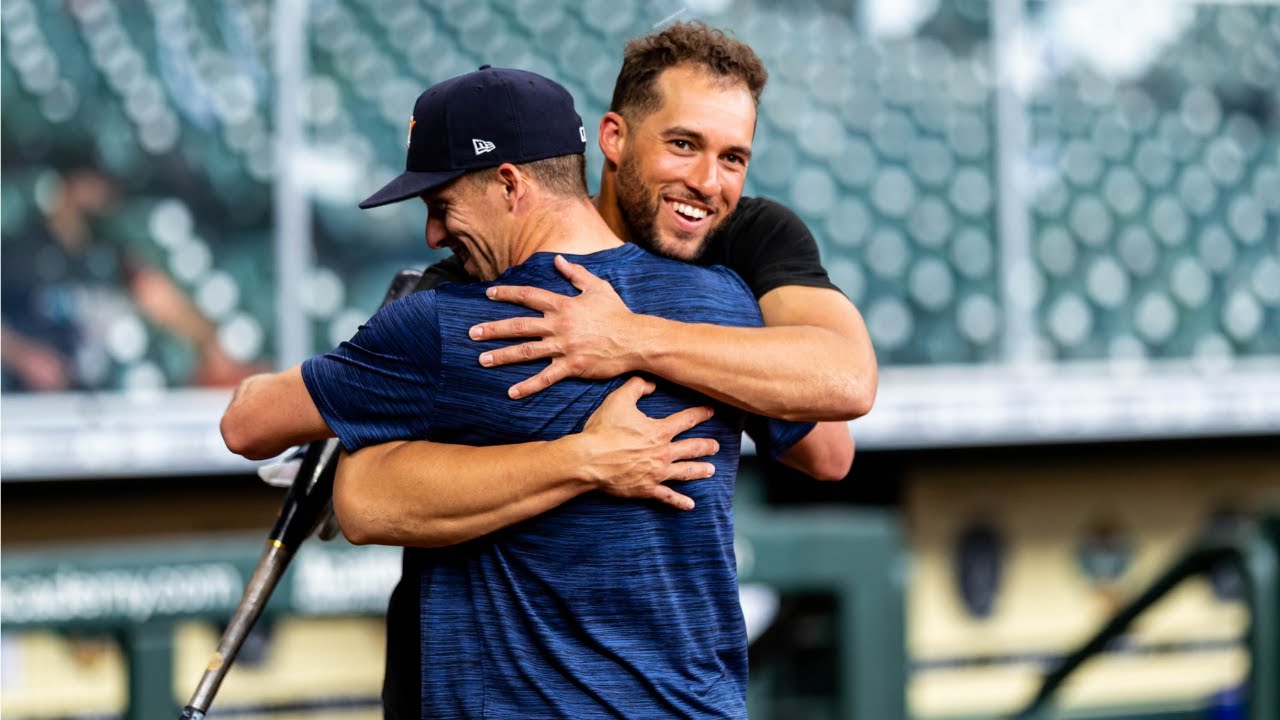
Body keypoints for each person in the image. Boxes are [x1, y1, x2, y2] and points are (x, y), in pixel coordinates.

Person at [221, 66, 805, 718]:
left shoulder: (446, 325)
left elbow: (247, 425)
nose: (434, 236)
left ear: (508, 184)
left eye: (441, 206)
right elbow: (825, 442)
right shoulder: (723, 299)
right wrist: (588, 452)